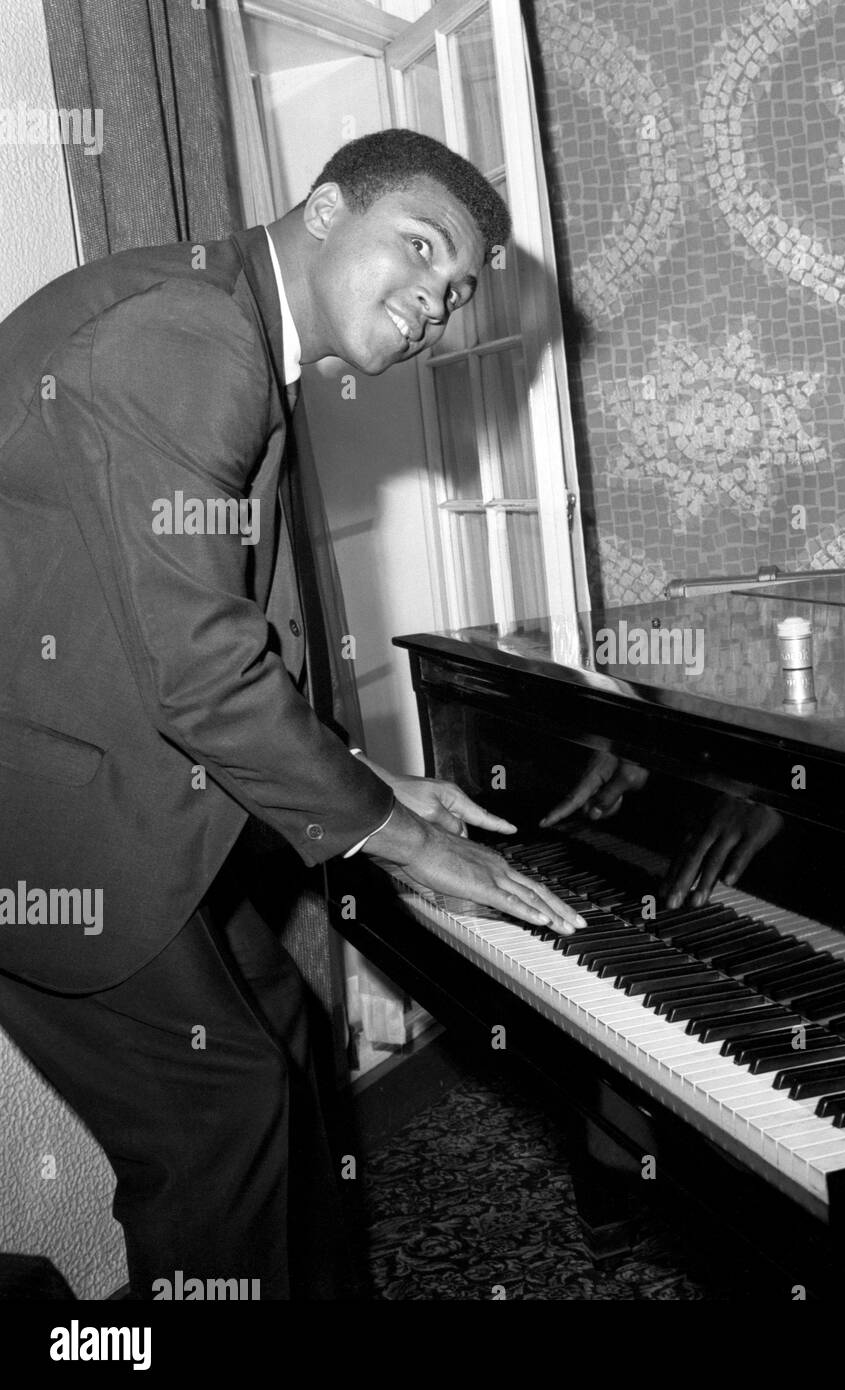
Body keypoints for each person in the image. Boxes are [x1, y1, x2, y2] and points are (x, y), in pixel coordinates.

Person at [0, 128, 583, 1299]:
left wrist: (373, 777)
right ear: (323, 210)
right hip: (50, 825)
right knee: (220, 1119)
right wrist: (406, 842)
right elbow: (202, 670)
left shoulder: (222, 321)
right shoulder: (191, 335)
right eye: (419, 247)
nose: (434, 303)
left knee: (286, 1032)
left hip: (110, 774)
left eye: (457, 291)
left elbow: (176, 625)